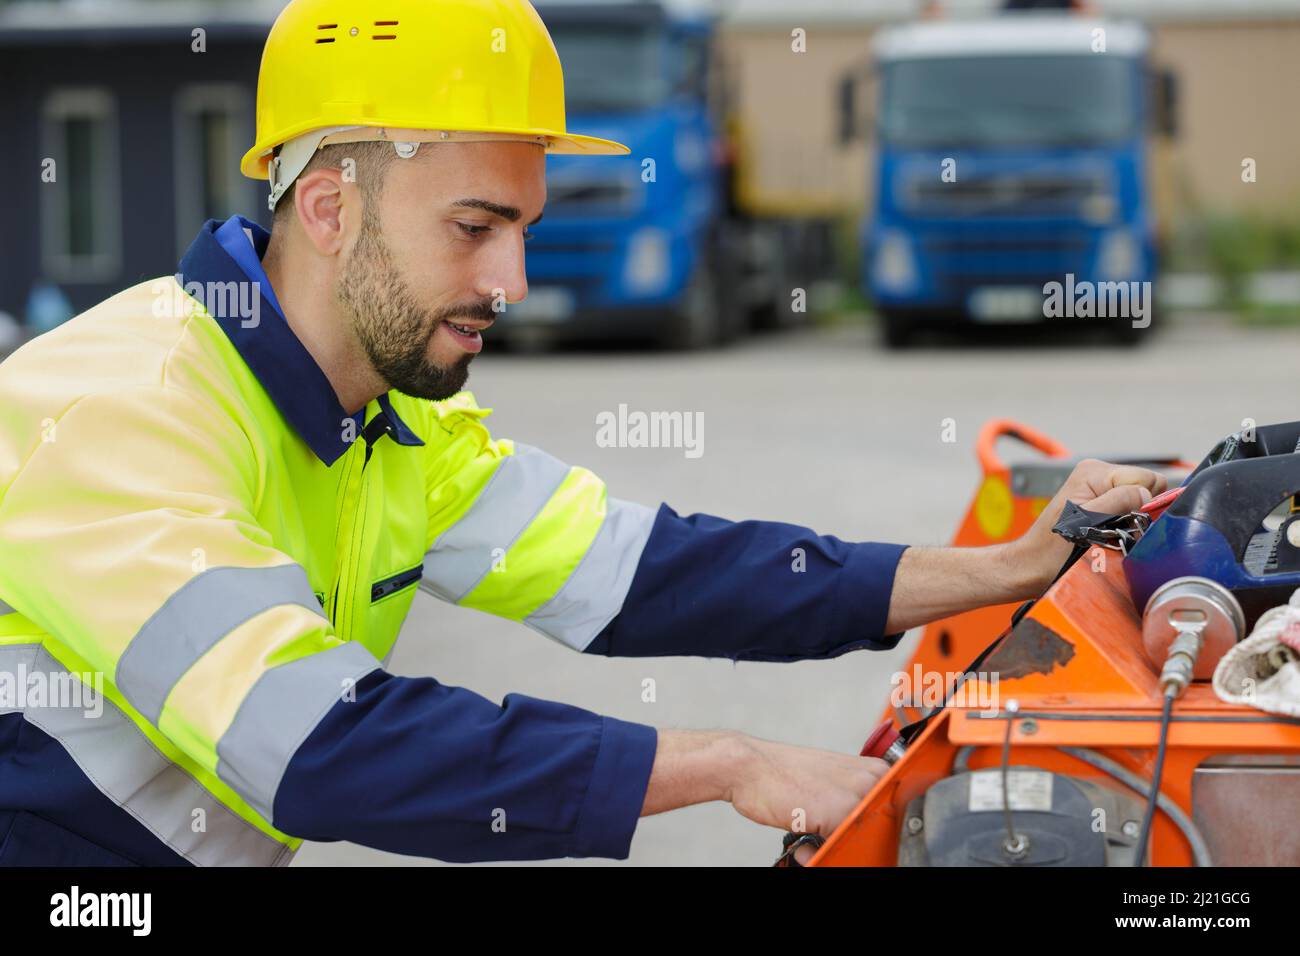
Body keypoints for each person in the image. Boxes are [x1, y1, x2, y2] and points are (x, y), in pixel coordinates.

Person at [0, 0, 1165, 866]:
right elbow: (320, 749)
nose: (512, 278)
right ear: (328, 206)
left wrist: (1002, 571)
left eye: (524, 228)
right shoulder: (123, 408)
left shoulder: (386, 419)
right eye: (473, 227)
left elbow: (655, 572)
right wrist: (731, 761)